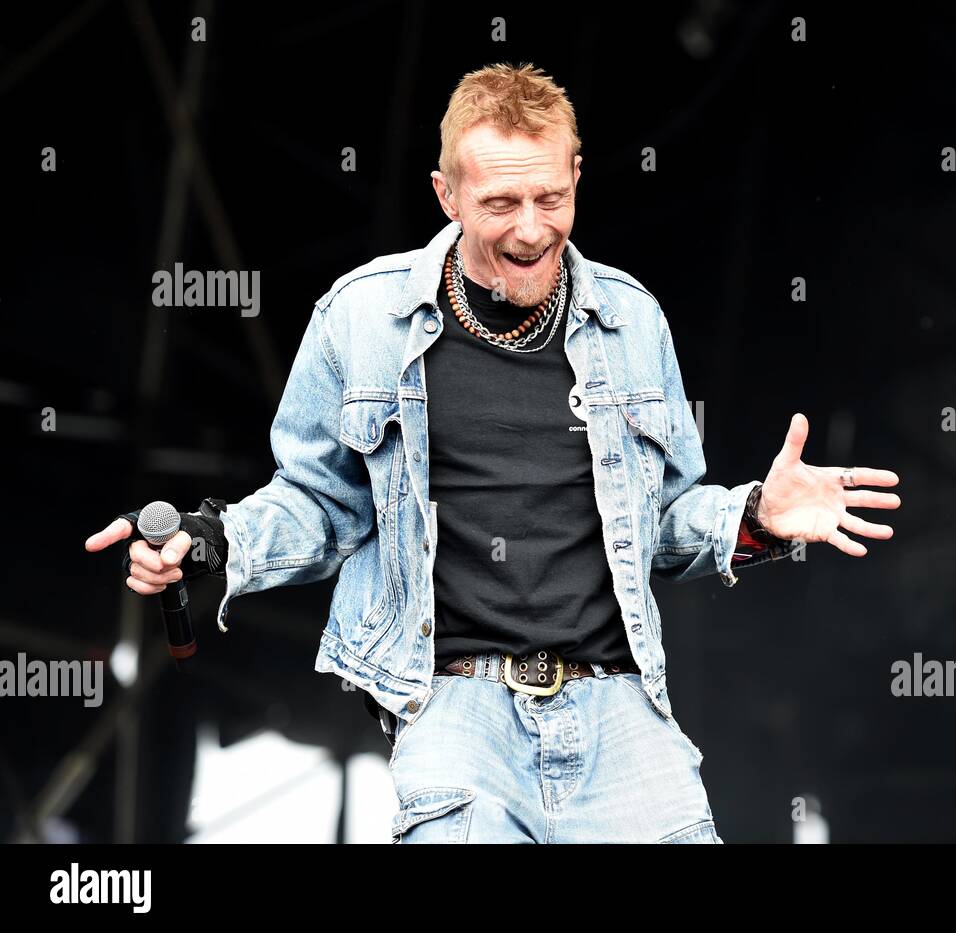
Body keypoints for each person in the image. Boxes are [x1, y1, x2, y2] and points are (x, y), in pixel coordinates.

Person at [85, 62, 901, 843]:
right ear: (446, 195)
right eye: (501, 201)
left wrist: (757, 514)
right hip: (453, 702)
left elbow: (660, 523)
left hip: (619, 708)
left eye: (550, 196)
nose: (531, 227)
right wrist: (215, 537)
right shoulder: (362, 317)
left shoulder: (632, 319)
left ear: (577, 176)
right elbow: (320, 500)